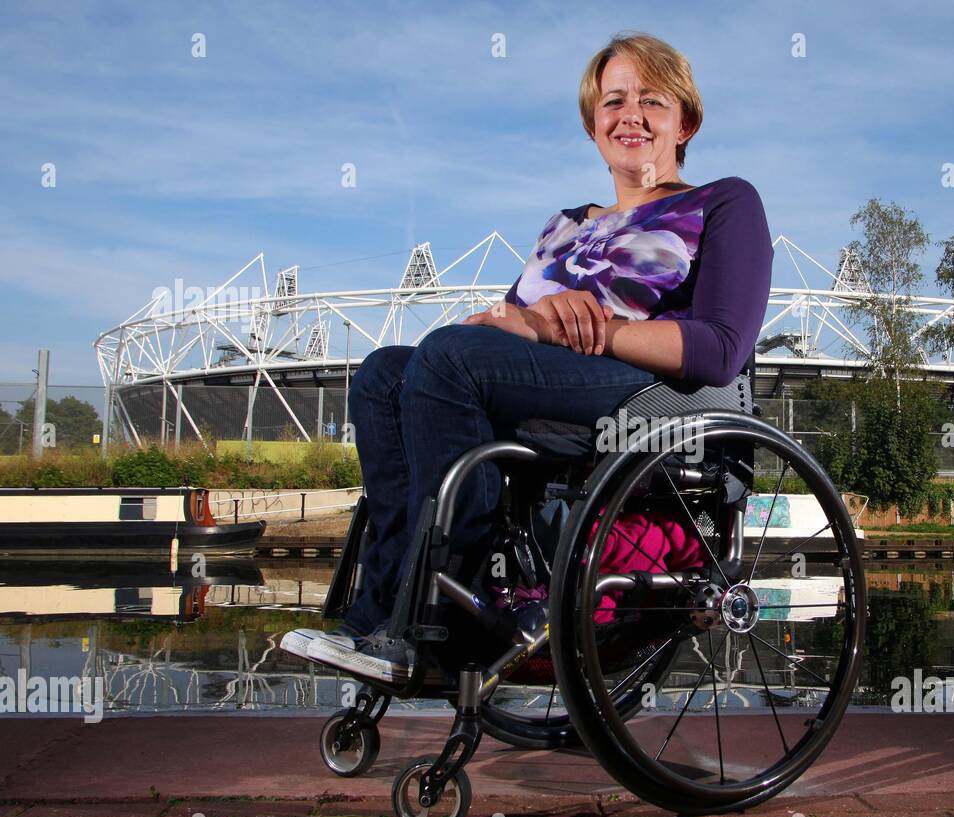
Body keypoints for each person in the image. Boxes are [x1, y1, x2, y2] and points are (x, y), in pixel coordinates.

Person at [280, 30, 773, 688]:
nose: (630, 114)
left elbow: (719, 349)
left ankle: (442, 609)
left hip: (647, 396)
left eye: (651, 100)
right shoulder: (566, 225)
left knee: (450, 360)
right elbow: (512, 330)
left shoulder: (722, 202)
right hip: (558, 389)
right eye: (613, 101)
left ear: (687, 120)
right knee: (384, 377)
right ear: (593, 126)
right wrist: (513, 324)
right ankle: (377, 615)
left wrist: (577, 327)